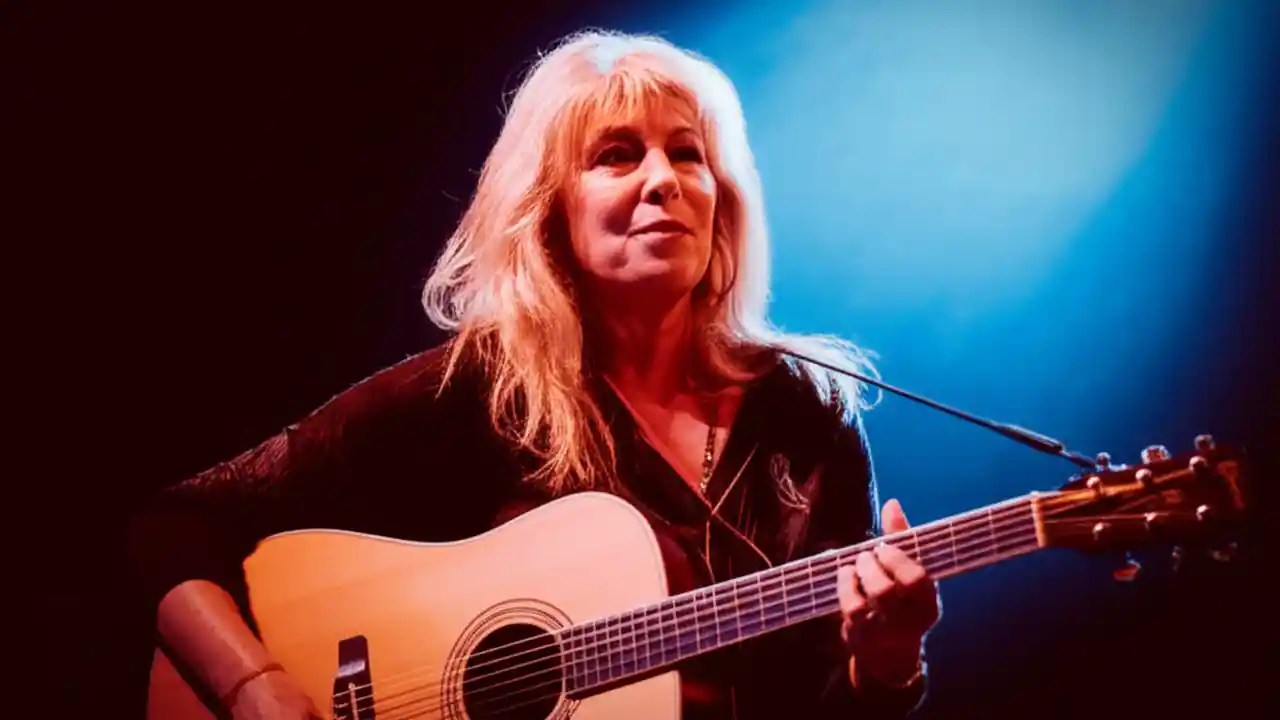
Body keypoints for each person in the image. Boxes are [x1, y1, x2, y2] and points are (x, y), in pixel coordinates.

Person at [127, 29, 941, 719]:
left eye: (687, 153)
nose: (663, 179)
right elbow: (172, 526)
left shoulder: (805, 415)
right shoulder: (483, 390)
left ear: (720, 200)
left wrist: (889, 661)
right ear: (550, 208)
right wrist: (254, 685)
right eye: (617, 155)